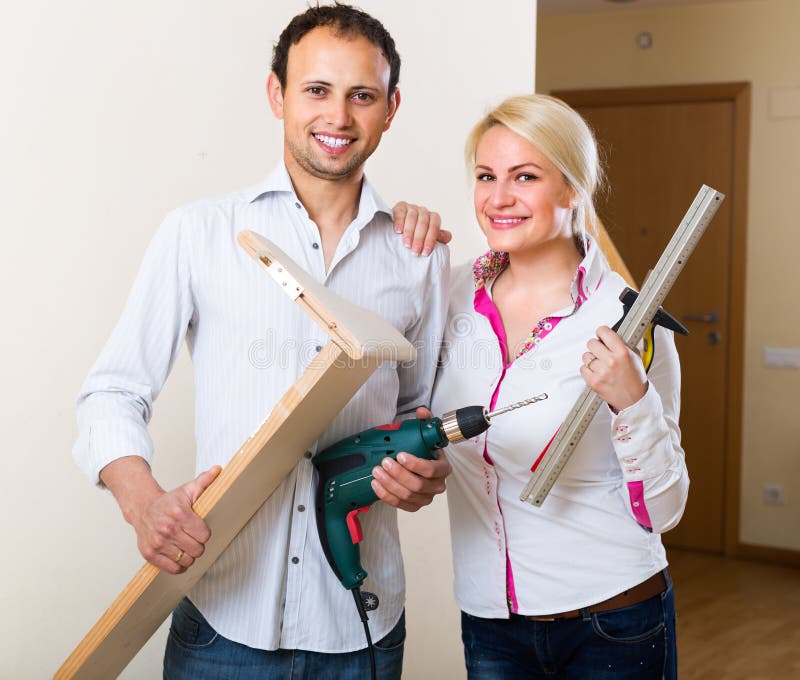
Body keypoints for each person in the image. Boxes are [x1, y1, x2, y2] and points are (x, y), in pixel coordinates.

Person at [73, 5, 451, 678]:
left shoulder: (419, 255)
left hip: (361, 625)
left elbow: (419, 416)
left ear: (391, 109)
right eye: (316, 90)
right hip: (222, 621)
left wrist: (422, 474)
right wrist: (145, 504)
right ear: (277, 94)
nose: (338, 116)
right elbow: (111, 393)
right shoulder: (200, 233)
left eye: (362, 95)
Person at [430, 94, 687, 679]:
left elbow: (666, 509)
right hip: (491, 624)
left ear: (572, 189)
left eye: (525, 177)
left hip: (613, 621)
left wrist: (634, 402)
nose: (499, 198)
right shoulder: (448, 297)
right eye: (486, 176)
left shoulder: (627, 319)